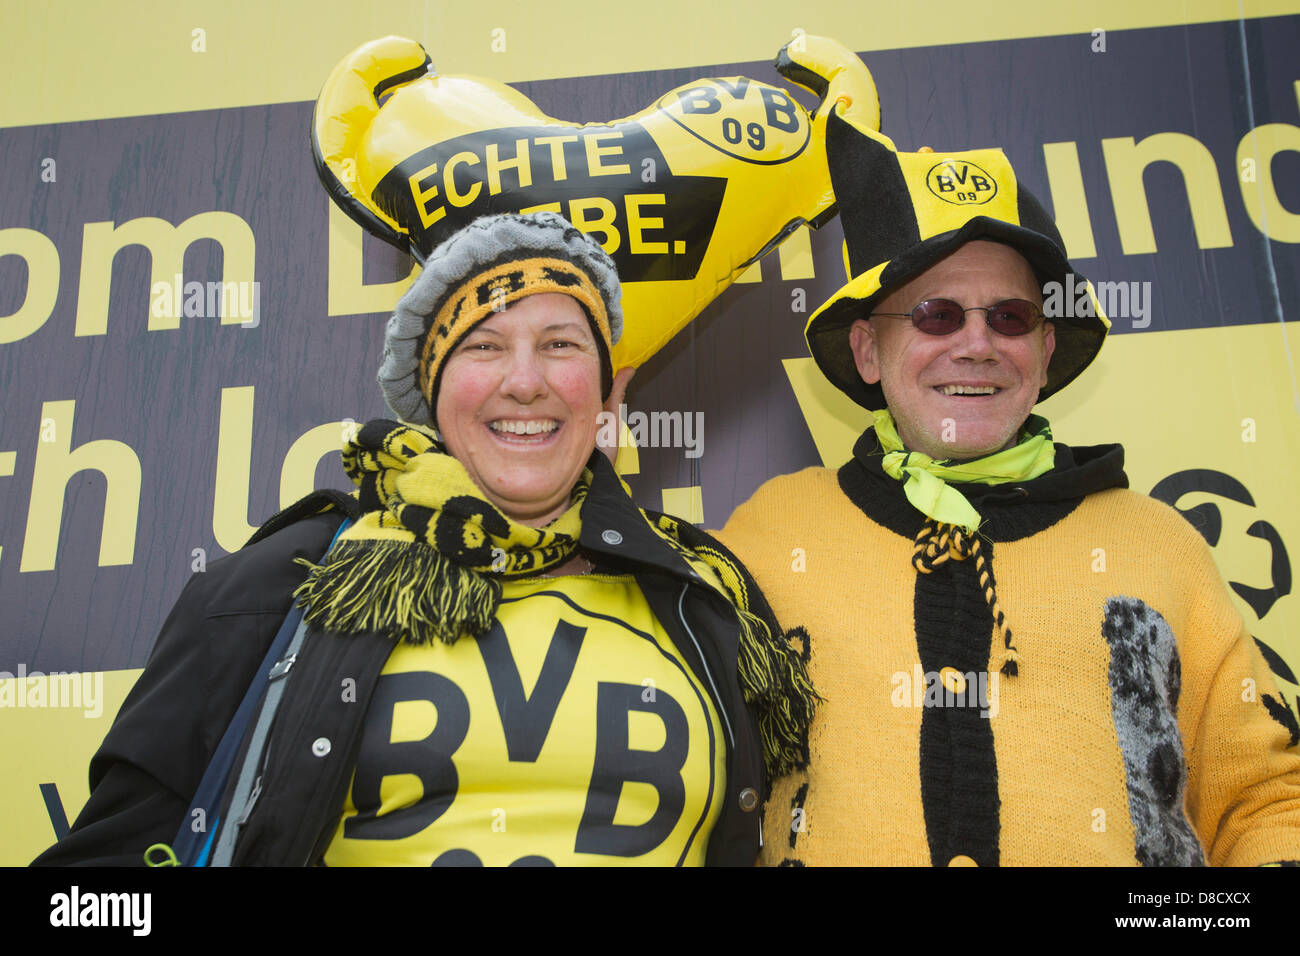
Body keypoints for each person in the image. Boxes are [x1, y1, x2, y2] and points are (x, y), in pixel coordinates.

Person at [35, 211, 815, 867]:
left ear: (607, 390)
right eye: (482, 345)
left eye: (560, 345)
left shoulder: (700, 587)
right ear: (433, 395)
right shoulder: (299, 578)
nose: (525, 380)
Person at [716, 118, 1300, 866]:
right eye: (936, 315)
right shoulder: (771, 532)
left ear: (1045, 351)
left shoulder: (1160, 545)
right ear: (868, 349)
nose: (978, 343)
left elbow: (1266, 798)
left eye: (1012, 317)